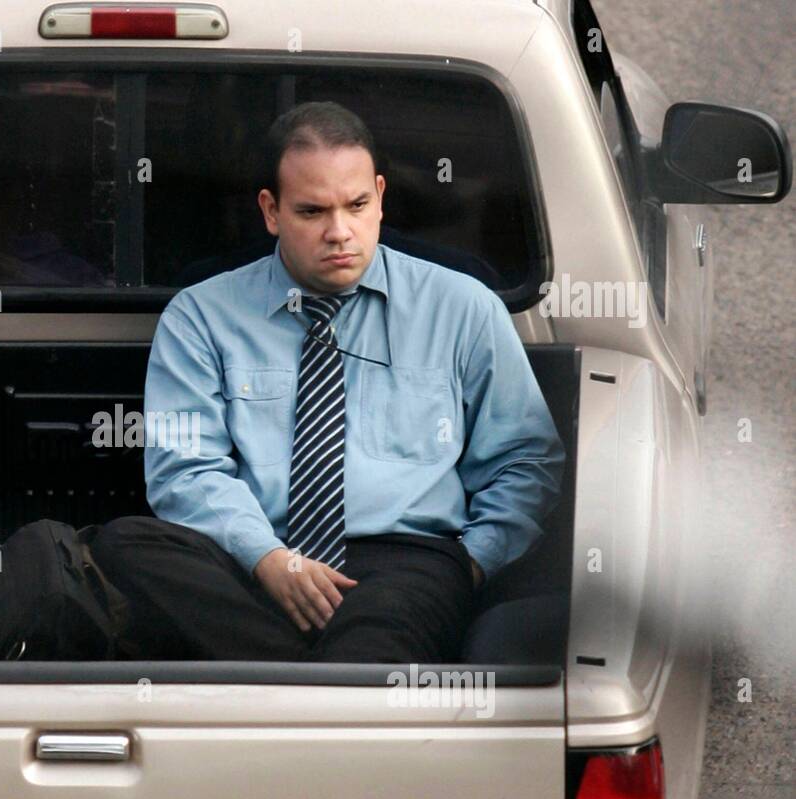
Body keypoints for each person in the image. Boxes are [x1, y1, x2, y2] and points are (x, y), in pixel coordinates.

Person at [90, 101, 566, 664]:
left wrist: (470, 562)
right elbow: (184, 470)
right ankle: (326, 679)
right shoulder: (200, 316)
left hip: (406, 561)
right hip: (254, 564)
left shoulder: (462, 308)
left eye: (358, 205)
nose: (340, 232)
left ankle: (286, 672)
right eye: (312, 211)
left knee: (381, 630)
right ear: (271, 211)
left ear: (381, 197)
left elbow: (526, 461)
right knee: (126, 544)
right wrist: (268, 560)